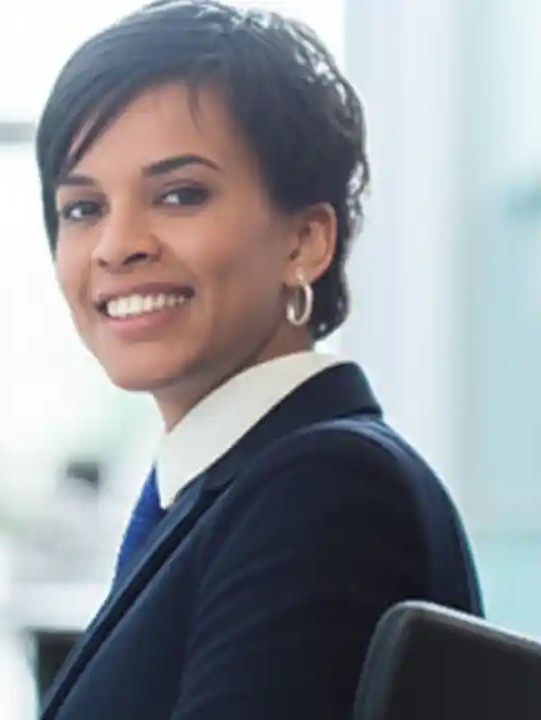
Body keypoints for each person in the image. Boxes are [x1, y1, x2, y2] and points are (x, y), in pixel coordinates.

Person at [34, 1, 483, 718]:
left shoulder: (327, 489)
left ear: (305, 241)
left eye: (180, 195)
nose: (117, 245)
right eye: (82, 209)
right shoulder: (225, 490)